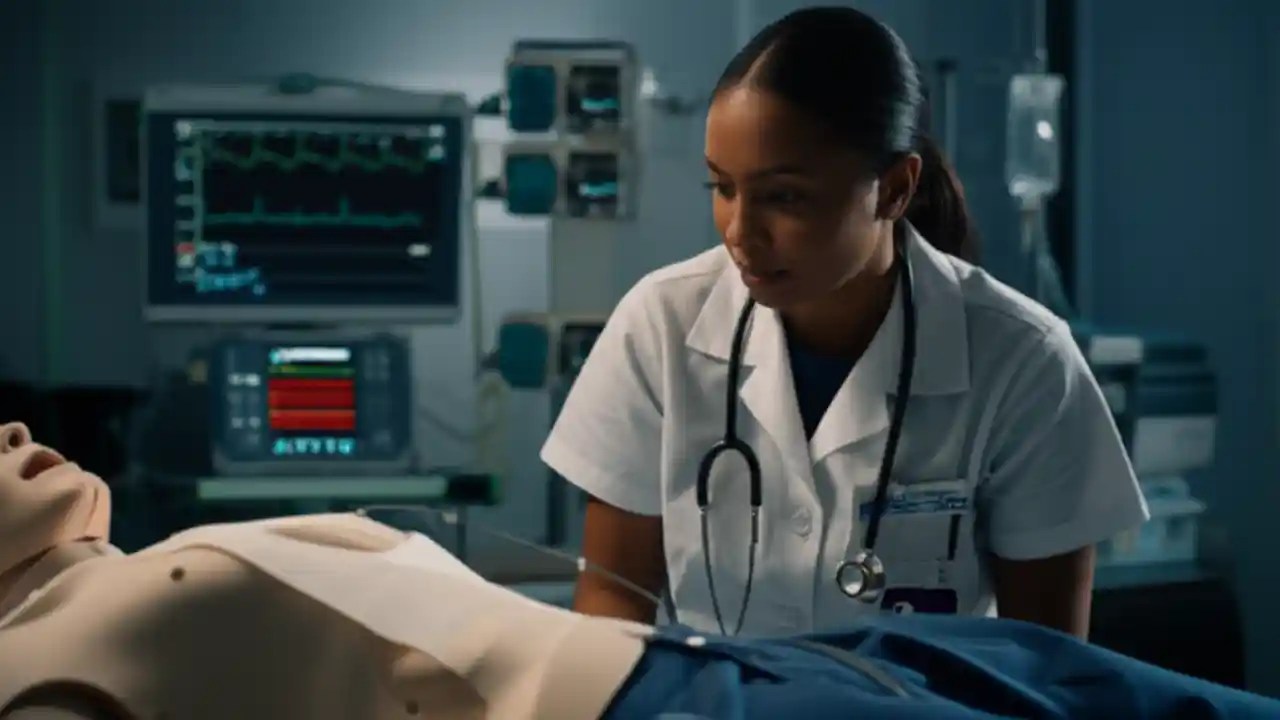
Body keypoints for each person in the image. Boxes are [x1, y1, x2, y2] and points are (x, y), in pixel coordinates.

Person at [541, 6, 1149, 639]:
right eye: (722, 188)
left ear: (893, 190)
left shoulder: (1024, 362)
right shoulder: (660, 325)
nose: (740, 232)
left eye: (784, 197)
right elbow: (611, 604)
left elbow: (1045, 665)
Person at [5, 420, 1280, 720]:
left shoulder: (145, 558)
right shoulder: (34, 664)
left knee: (1102, 684)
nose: (11, 434)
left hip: (741, 664)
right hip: (651, 712)